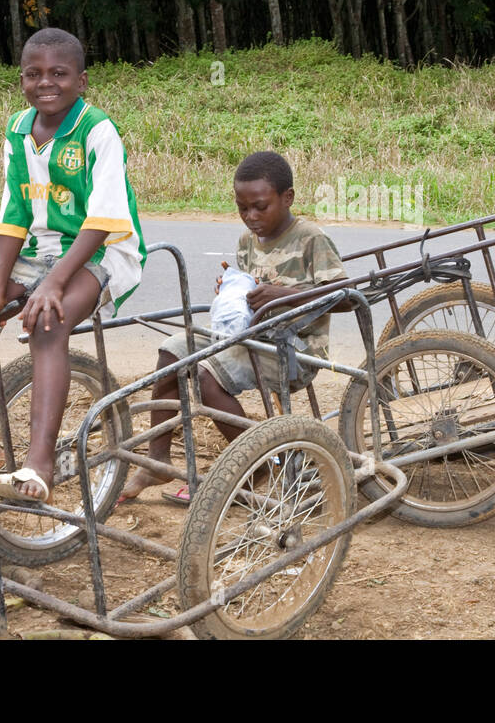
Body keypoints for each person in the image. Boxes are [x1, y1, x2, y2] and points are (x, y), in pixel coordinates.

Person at [0, 27, 146, 503]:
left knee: (48, 324)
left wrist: (53, 285)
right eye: (34, 74)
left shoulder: (97, 131)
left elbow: (103, 220)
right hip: (38, 253)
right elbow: (14, 215)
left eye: (59, 74)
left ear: (82, 81)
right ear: (22, 79)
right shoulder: (18, 129)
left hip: (101, 250)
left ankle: (39, 464)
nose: (46, 83)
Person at [119, 150, 348, 504]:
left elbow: (346, 297)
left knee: (209, 374)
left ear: (287, 198)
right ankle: (157, 460)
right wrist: (232, 290)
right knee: (173, 353)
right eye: (243, 208)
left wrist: (283, 295)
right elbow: (246, 285)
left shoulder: (310, 238)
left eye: (260, 206)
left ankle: (253, 465)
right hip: (250, 338)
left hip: (296, 350)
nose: (251, 217)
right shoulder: (246, 241)